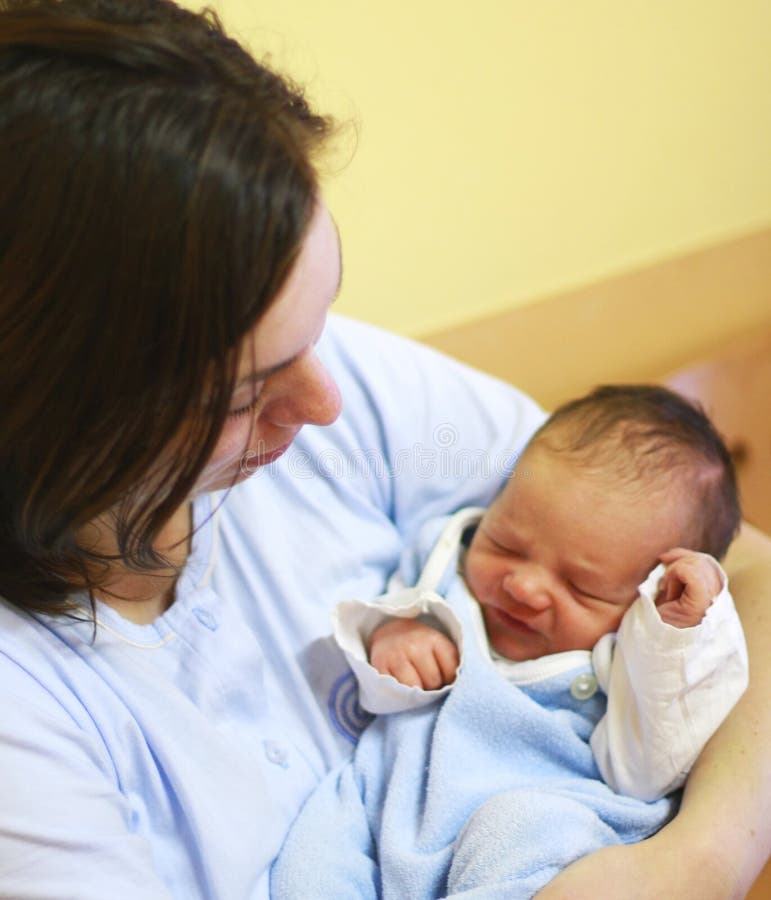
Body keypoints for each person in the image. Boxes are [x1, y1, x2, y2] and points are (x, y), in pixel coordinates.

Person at [0, 2, 769, 899]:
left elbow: (745, 566)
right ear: (52, 408)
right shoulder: (31, 722)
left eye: (319, 326)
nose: (324, 404)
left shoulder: (338, 381)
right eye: (244, 393)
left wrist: (696, 860)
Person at [271, 385, 749, 899]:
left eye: (579, 586)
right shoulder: (445, 567)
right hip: (390, 798)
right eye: (506, 544)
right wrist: (392, 638)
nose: (522, 586)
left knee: (525, 825)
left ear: (647, 594)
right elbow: (376, 666)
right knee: (314, 850)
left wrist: (675, 638)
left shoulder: (633, 659)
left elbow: (651, 766)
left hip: (538, 821)